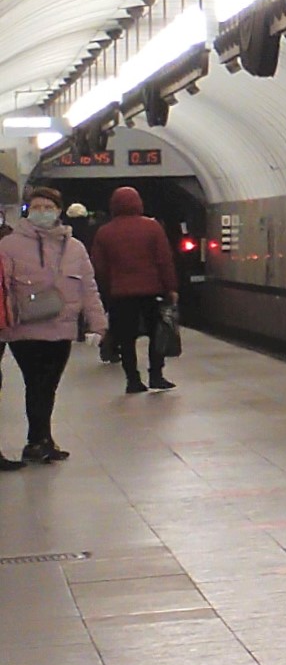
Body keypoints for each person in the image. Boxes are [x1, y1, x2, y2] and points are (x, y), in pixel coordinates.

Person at [0, 190, 98, 465]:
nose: (42, 211)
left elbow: (88, 286)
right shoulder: (9, 246)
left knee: (48, 385)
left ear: (59, 210)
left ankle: (41, 438)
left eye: (48, 206)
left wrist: (98, 323)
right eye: (36, 206)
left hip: (62, 326)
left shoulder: (75, 247)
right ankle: (37, 440)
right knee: (36, 383)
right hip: (25, 328)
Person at [88, 187, 177, 393]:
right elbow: (165, 260)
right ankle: (156, 374)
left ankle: (133, 380)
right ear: (139, 203)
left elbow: (99, 266)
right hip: (152, 291)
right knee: (157, 333)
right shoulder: (152, 227)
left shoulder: (105, 232)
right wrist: (170, 287)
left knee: (126, 338)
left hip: (120, 294)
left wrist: (106, 290)